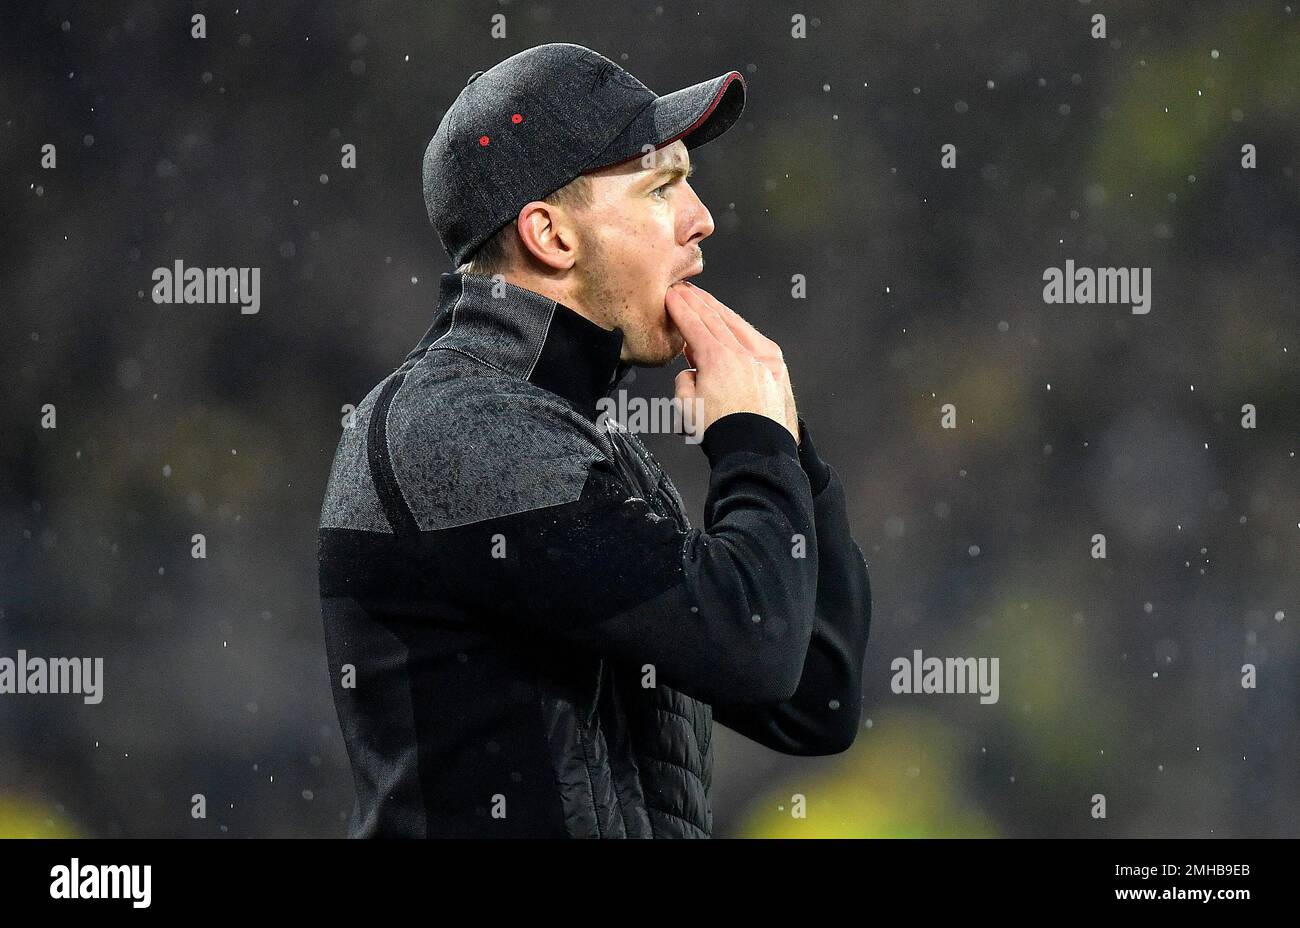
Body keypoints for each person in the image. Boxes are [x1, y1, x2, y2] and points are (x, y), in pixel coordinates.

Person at [318, 42, 872, 838]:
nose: (701, 218)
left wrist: (785, 442)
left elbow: (814, 698)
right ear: (551, 235)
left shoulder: (580, 444)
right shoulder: (458, 426)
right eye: (662, 186)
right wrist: (750, 443)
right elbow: (750, 648)